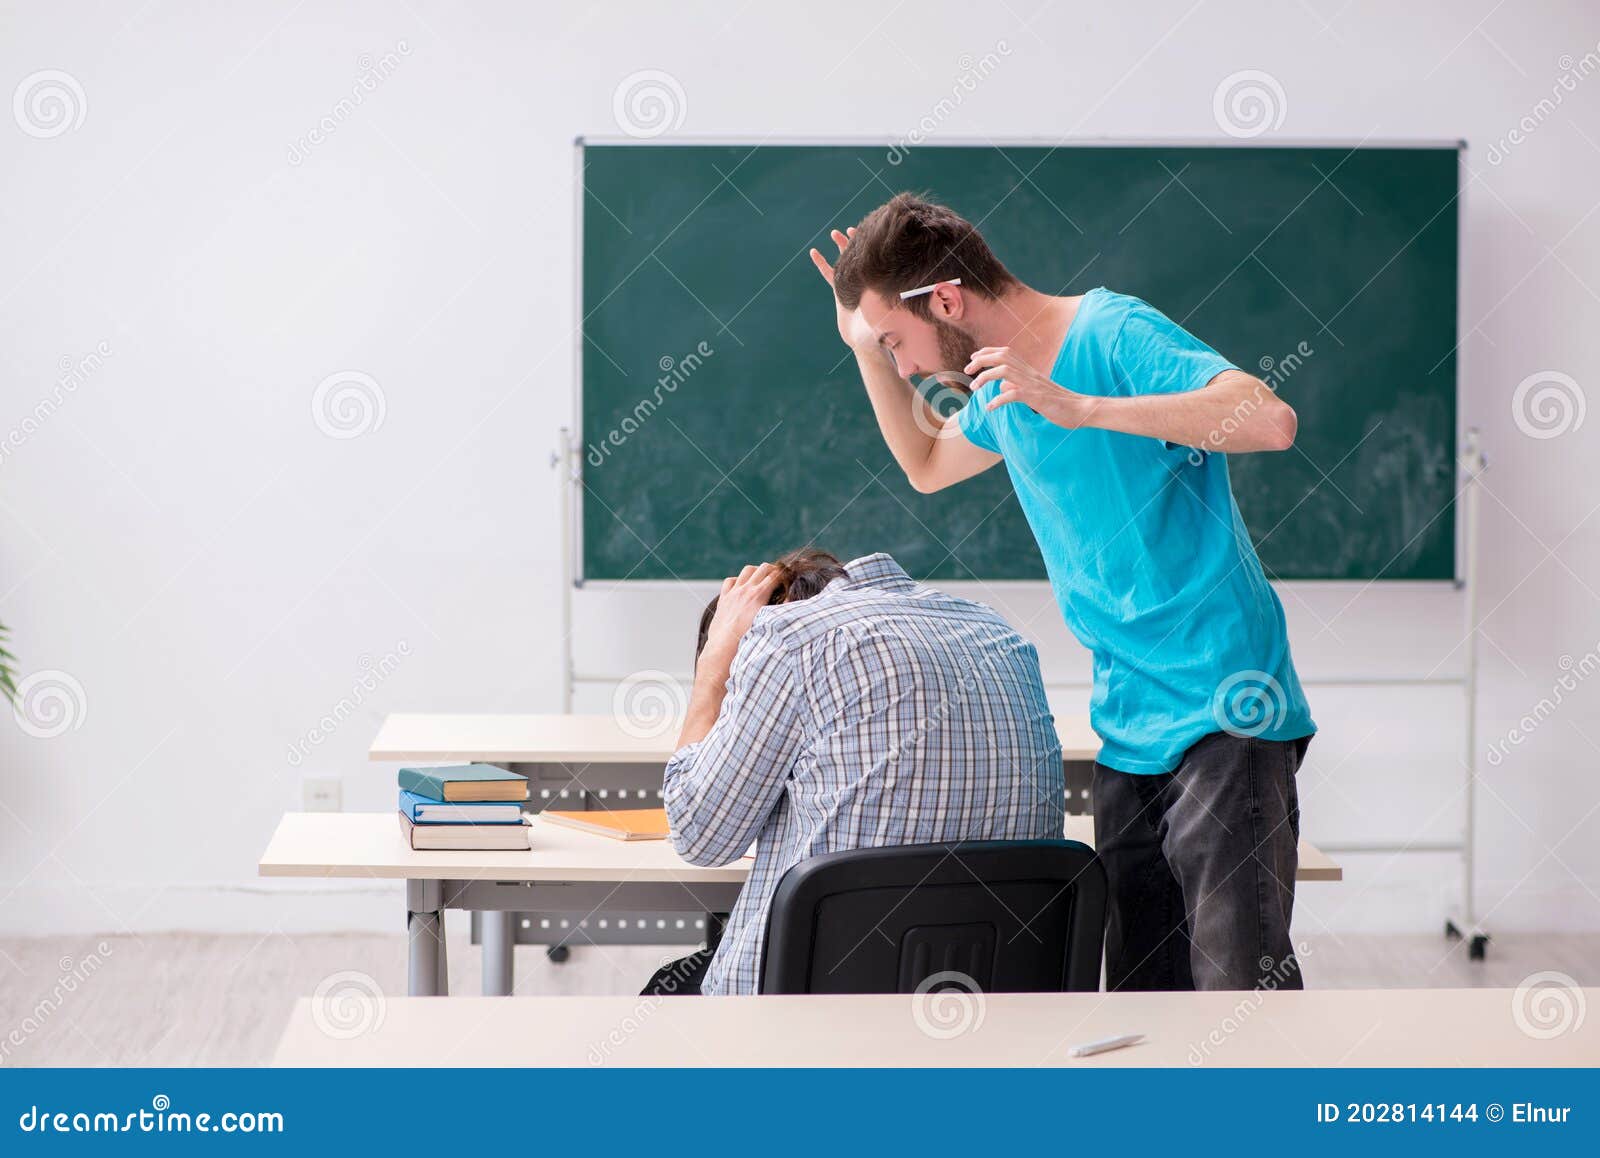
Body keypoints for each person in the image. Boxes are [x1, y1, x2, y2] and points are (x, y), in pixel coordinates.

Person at [810, 193, 1316, 992]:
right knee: (1149, 995)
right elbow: (927, 465)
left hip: (1225, 702)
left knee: (1238, 1001)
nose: (906, 366)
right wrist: (863, 346)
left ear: (946, 299)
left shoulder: (1110, 331)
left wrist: (1083, 408)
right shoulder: (996, 388)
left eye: (897, 341)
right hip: (1127, 722)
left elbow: (1269, 418)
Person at [645, 547, 1065, 997]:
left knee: (665, 993)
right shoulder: (999, 633)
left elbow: (699, 836)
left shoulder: (789, 638)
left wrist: (713, 670)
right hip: (1003, 1002)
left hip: (813, 1011)